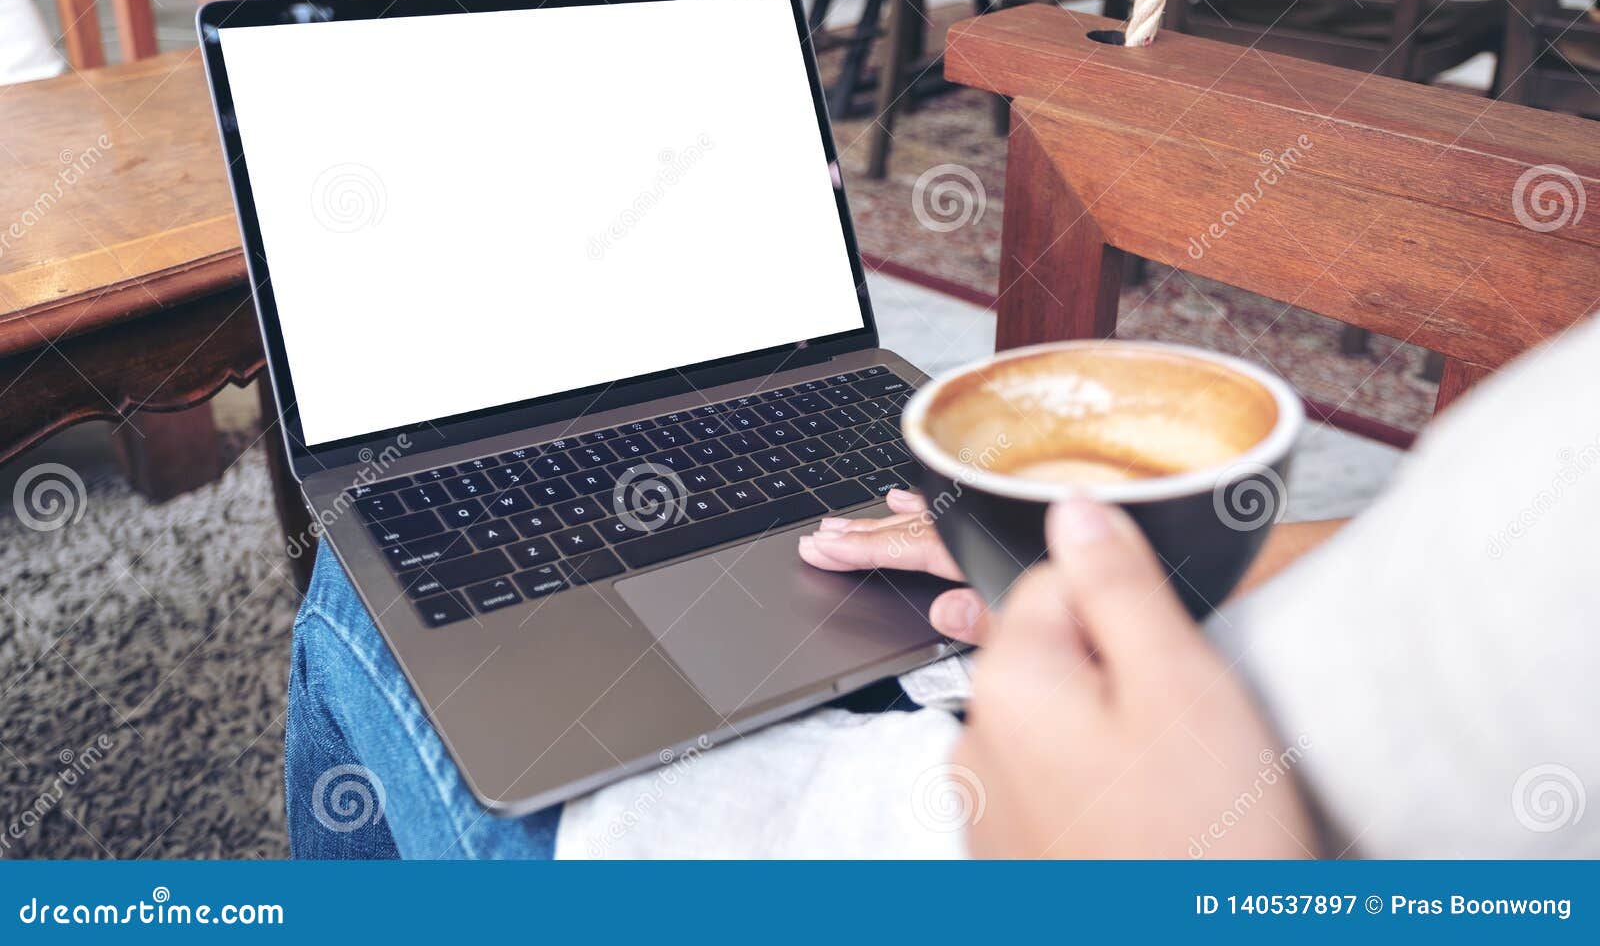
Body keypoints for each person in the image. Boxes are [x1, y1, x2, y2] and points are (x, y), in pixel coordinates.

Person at [287, 315, 1600, 858]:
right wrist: (1158, 576)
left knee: (364, 595)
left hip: (1054, 841)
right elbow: (1436, 564)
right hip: (1155, 725)